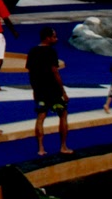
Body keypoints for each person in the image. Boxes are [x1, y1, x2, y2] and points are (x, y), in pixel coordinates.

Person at [27, 27, 71, 156]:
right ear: (47, 38)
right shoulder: (51, 52)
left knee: (41, 116)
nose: (56, 39)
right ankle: (63, 146)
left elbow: (31, 72)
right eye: (54, 37)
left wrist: (34, 89)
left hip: (39, 88)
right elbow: (55, 71)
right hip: (52, 88)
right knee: (63, 114)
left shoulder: (33, 51)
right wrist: (63, 91)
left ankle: (41, 148)